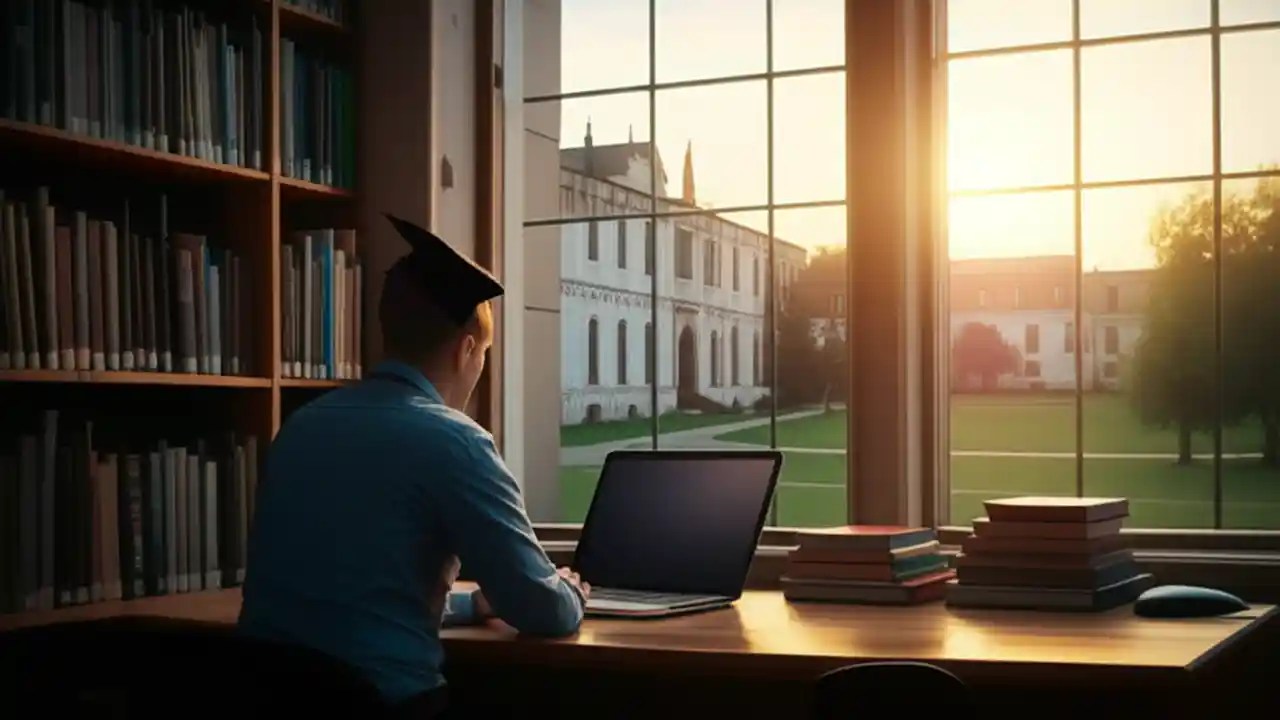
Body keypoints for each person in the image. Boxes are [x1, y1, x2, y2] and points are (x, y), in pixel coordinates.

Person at [238, 213, 589, 716]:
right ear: (467, 349)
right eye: (483, 353)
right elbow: (542, 610)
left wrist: (470, 605)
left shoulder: (301, 428)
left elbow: (357, 599)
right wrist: (570, 592)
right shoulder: (456, 443)